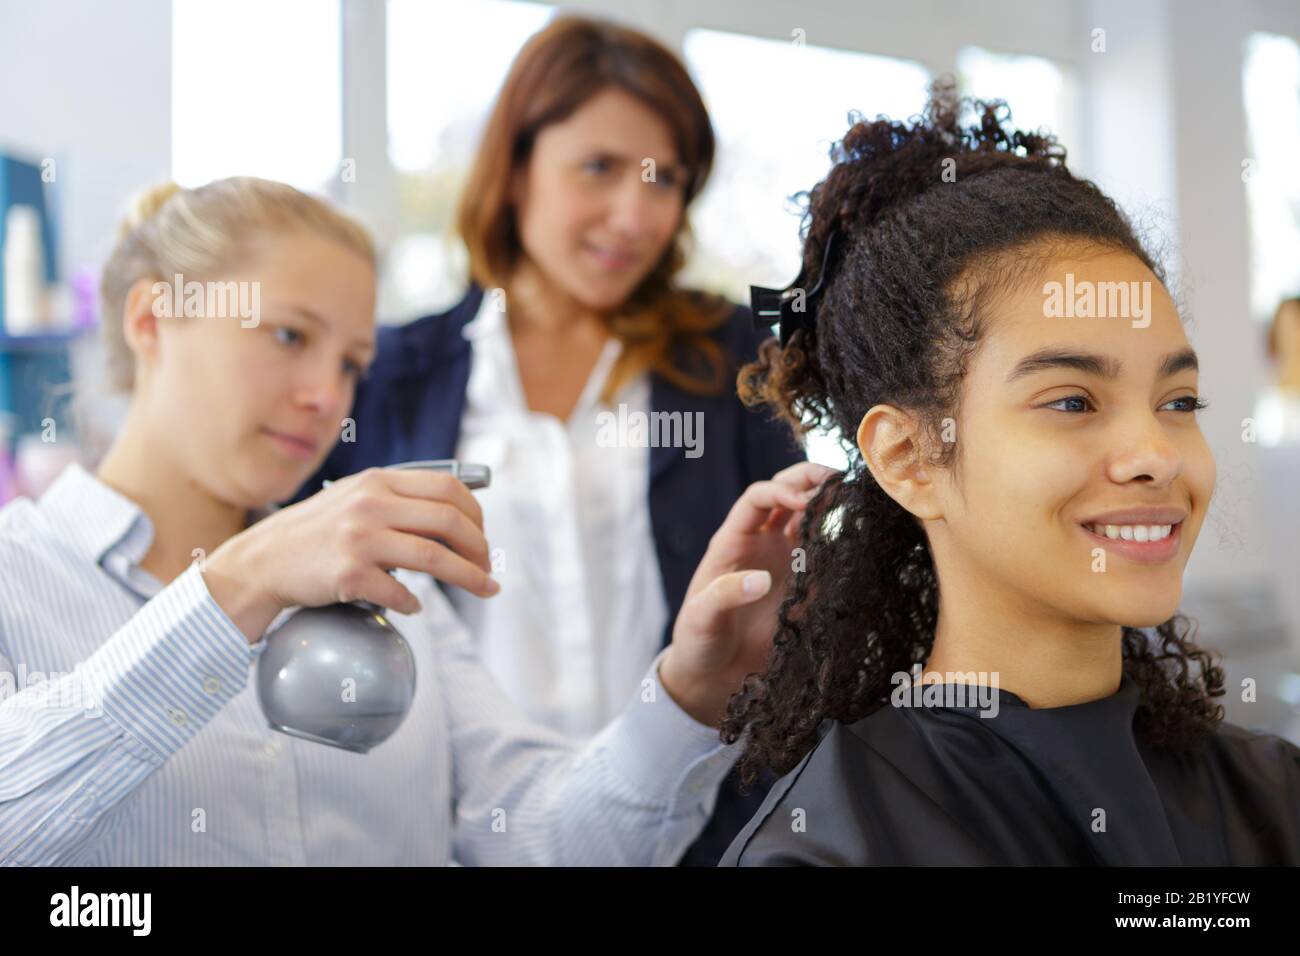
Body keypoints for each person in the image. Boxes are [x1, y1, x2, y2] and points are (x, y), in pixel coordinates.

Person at [0, 176, 833, 865]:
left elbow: (541, 839)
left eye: (351, 363)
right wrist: (237, 586)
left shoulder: (392, 597)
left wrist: (690, 692)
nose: (326, 395)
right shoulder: (19, 580)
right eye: (288, 336)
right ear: (152, 319)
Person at [718, 86, 1300, 866]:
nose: (1157, 455)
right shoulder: (832, 847)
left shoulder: (1274, 797)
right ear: (907, 458)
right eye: (1071, 401)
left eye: (1178, 401)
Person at [298, 15, 804, 865]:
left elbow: (788, 594)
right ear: (517, 167)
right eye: (599, 168)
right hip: (456, 835)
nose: (635, 215)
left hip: (695, 832)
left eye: (666, 180)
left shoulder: (730, 360)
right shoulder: (391, 375)